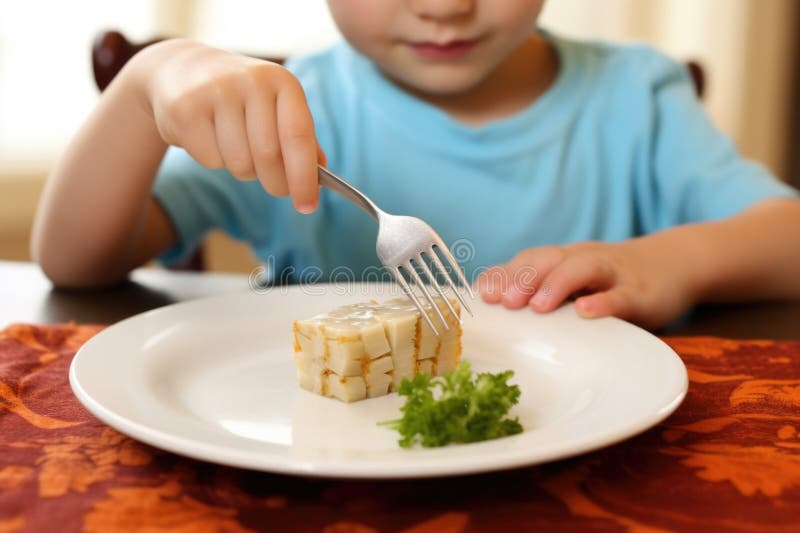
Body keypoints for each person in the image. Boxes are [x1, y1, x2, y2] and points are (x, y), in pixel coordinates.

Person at [31, 0, 800, 329]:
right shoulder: (297, 110)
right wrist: (143, 88)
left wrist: (668, 262)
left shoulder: (635, 97)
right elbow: (73, 261)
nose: (443, 4)